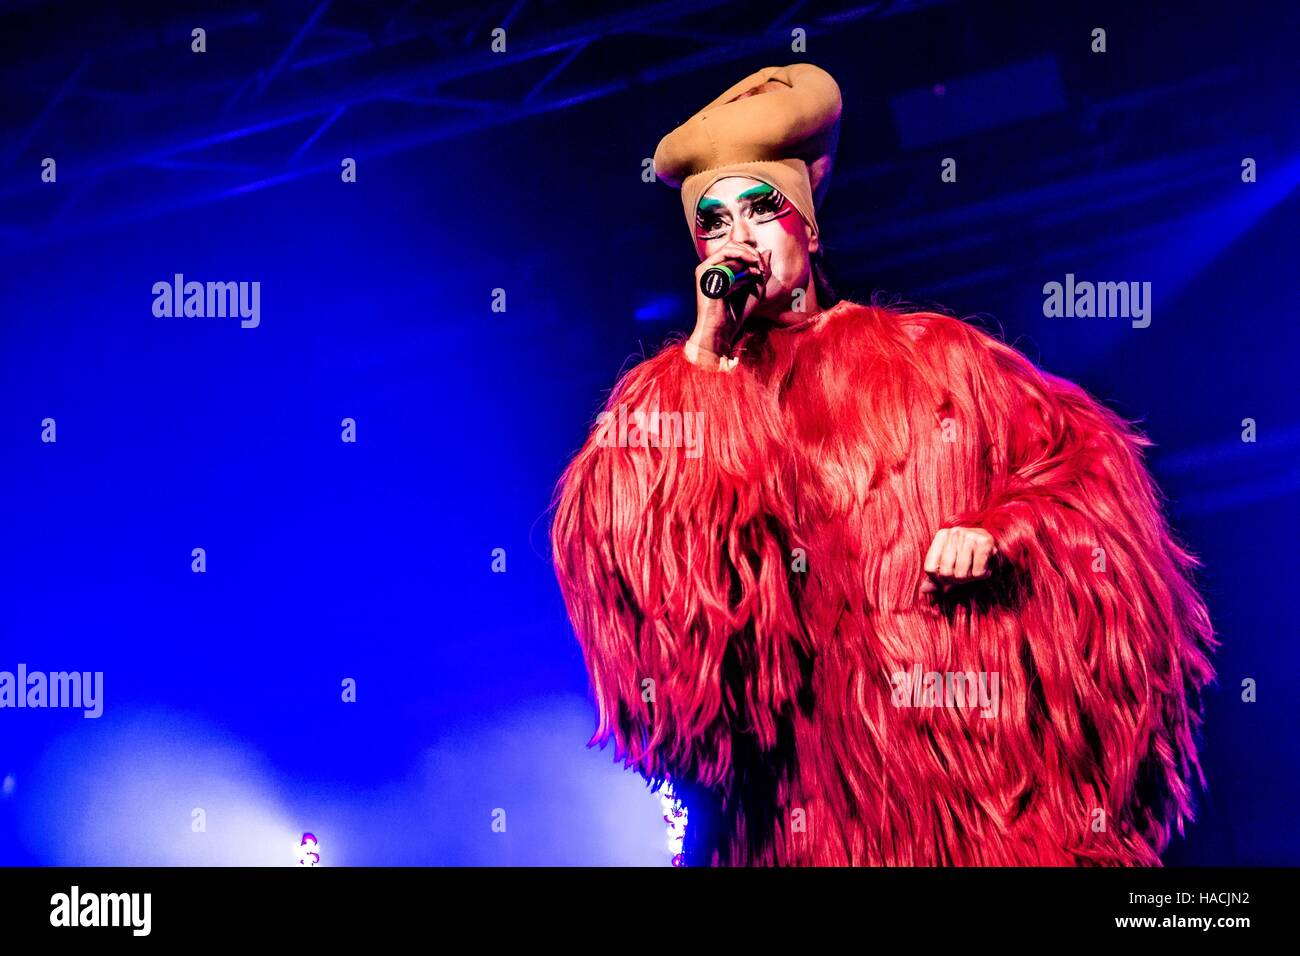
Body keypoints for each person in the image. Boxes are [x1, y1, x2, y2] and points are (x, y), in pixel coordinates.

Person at [549, 63, 1217, 865]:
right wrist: (703, 363)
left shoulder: (937, 358)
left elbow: (1091, 473)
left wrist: (1006, 531)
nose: (740, 239)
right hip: (798, 813)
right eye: (714, 226)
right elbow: (636, 584)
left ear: (809, 227)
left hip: (971, 794)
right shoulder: (674, 395)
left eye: (761, 211)